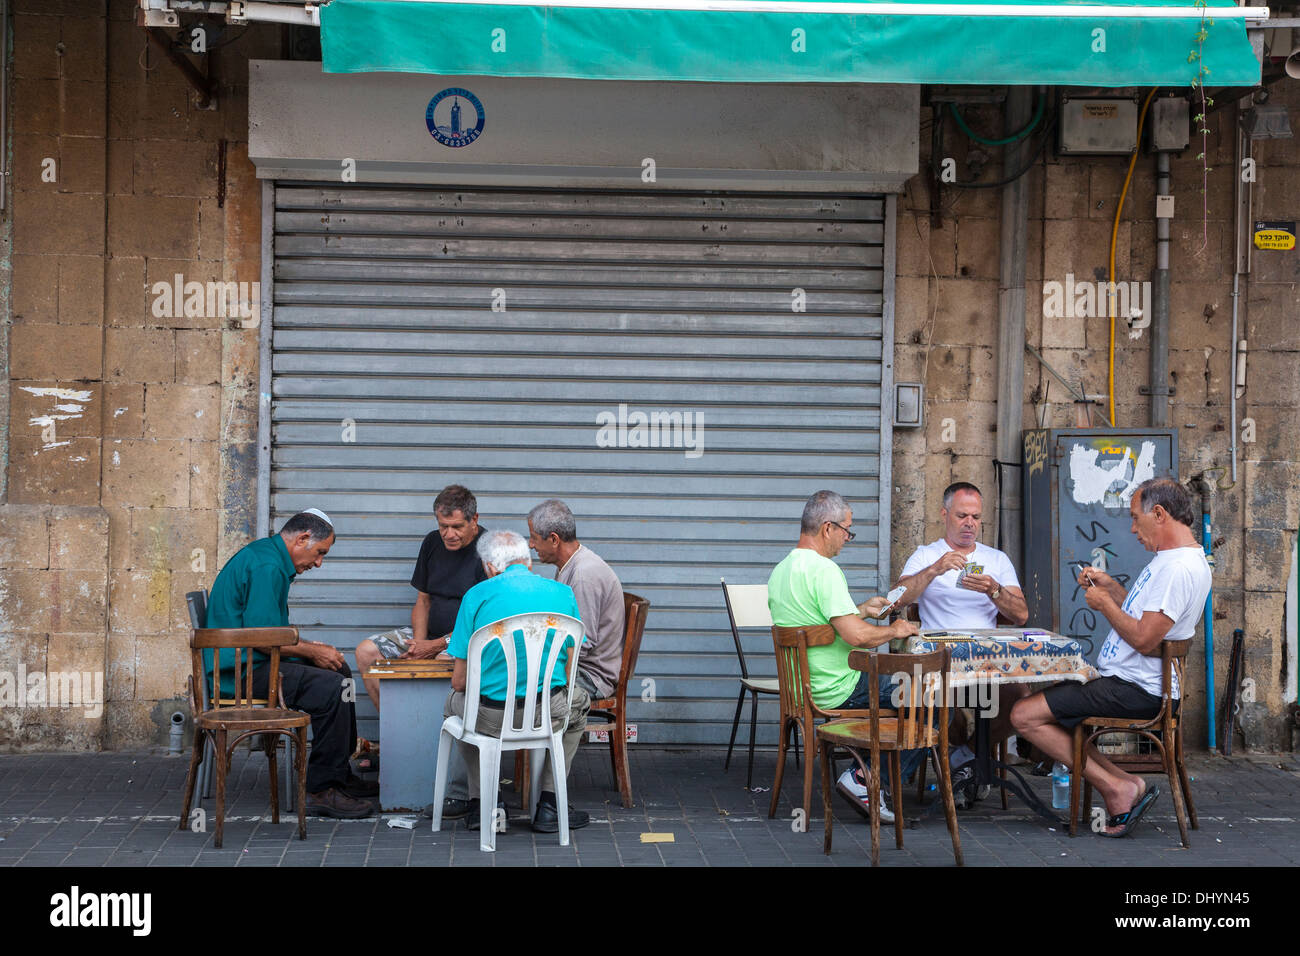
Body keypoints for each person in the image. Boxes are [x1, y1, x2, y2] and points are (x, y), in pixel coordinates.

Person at [1010, 478, 1211, 837]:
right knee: (1051, 704)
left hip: (1138, 690)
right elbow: (1143, 617)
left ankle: (1116, 788)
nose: (1133, 529)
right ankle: (1125, 783)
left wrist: (1103, 605)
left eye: (1136, 519)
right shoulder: (1175, 560)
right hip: (1135, 683)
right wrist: (1112, 589)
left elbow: (1145, 639)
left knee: (1024, 715)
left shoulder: (1176, 568)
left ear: (1160, 514)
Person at [204, 509, 376, 819]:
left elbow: (268, 633)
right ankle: (321, 790)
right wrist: (310, 651)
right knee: (334, 688)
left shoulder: (267, 558)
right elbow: (262, 637)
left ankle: (338, 773)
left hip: (252, 663)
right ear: (303, 539)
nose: (319, 562)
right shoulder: (268, 566)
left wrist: (313, 650)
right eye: (320, 552)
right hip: (238, 675)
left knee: (337, 669)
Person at [767, 490, 919, 823]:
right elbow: (858, 637)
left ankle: (868, 775)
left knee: (909, 696)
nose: (847, 538)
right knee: (928, 699)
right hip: (840, 688)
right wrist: (896, 631)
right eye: (847, 530)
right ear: (827, 528)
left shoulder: (781, 570)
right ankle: (863, 779)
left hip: (803, 690)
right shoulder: (825, 571)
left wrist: (861, 609)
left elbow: (822, 625)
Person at [443, 529, 591, 834]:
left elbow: (459, 681)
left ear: (489, 567)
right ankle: (550, 805)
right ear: (528, 561)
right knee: (579, 704)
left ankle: (486, 804)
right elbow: (571, 657)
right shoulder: (562, 593)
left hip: (492, 717)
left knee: (454, 706)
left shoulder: (476, 596)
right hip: (548, 712)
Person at [896, 481, 1030, 791]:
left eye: (976, 517)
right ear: (944, 514)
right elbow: (898, 598)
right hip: (940, 665)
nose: (970, 523)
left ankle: (966, 755)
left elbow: (1021, 615)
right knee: (945, 705)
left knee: (1022, 701)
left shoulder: (996, 559)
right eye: (961, 516)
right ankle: (962, 761)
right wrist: (934, 570)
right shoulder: (926, 554)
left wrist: (994, 590)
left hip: (989, 664)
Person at [355, 484, 487, 713]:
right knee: (366, 652)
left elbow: (485, 620)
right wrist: (418, 644)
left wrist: (435, 646)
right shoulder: (432, 543)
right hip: (428, 637)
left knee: (442, 663)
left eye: (456, 527)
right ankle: (397, 728)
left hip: (466, 639)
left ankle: (439, 738)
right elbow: (423, 601)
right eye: (443, 526)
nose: (449, 534)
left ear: (473, 519)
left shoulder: (488, 550)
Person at [526, 499, 625, 701]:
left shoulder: (583, 575)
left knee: (517, 681)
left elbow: (582, 642)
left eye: (534, 538)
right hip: (574, 667)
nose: (530, 544)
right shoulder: (570, 566)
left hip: (591, 677)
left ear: (554, 539)